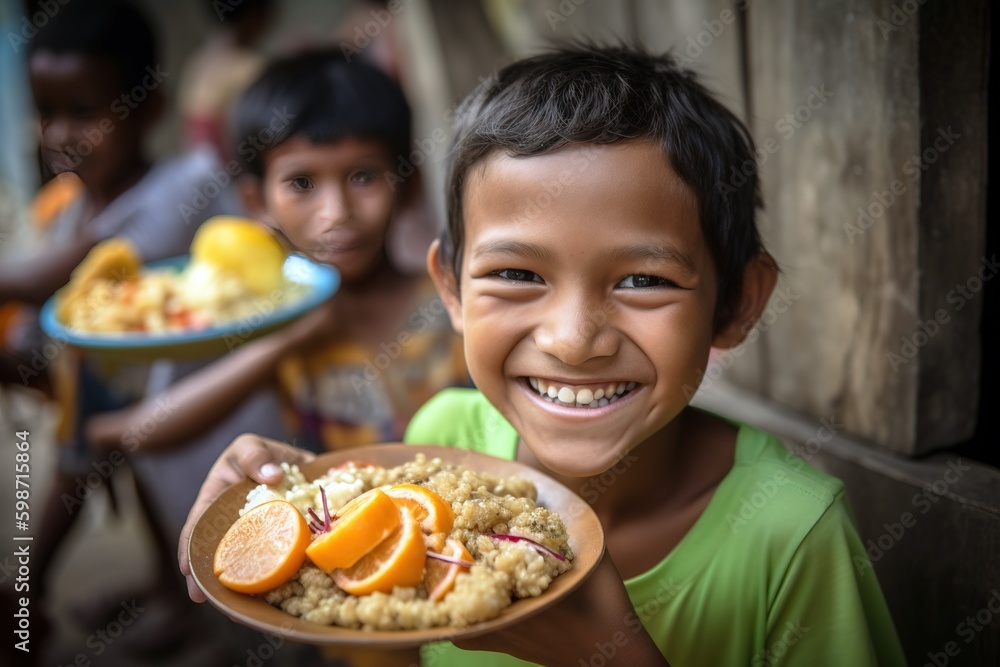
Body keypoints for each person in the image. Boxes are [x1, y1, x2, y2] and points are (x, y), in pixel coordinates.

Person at [177, 45, 907, 666]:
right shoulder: (444, 444)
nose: (571, 337)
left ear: (737, 302)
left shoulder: (791, 537)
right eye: (518, 275)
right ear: (452, 291)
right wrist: (301, 511)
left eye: (643, 280)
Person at [86, 49, 466, 479]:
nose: (335, 212)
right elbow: (146, 431)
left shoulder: (456, 300)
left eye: (363, 176)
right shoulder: (275, 329)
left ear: (409, 185)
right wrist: (285, 342)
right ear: (256, 201)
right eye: (301, 183)